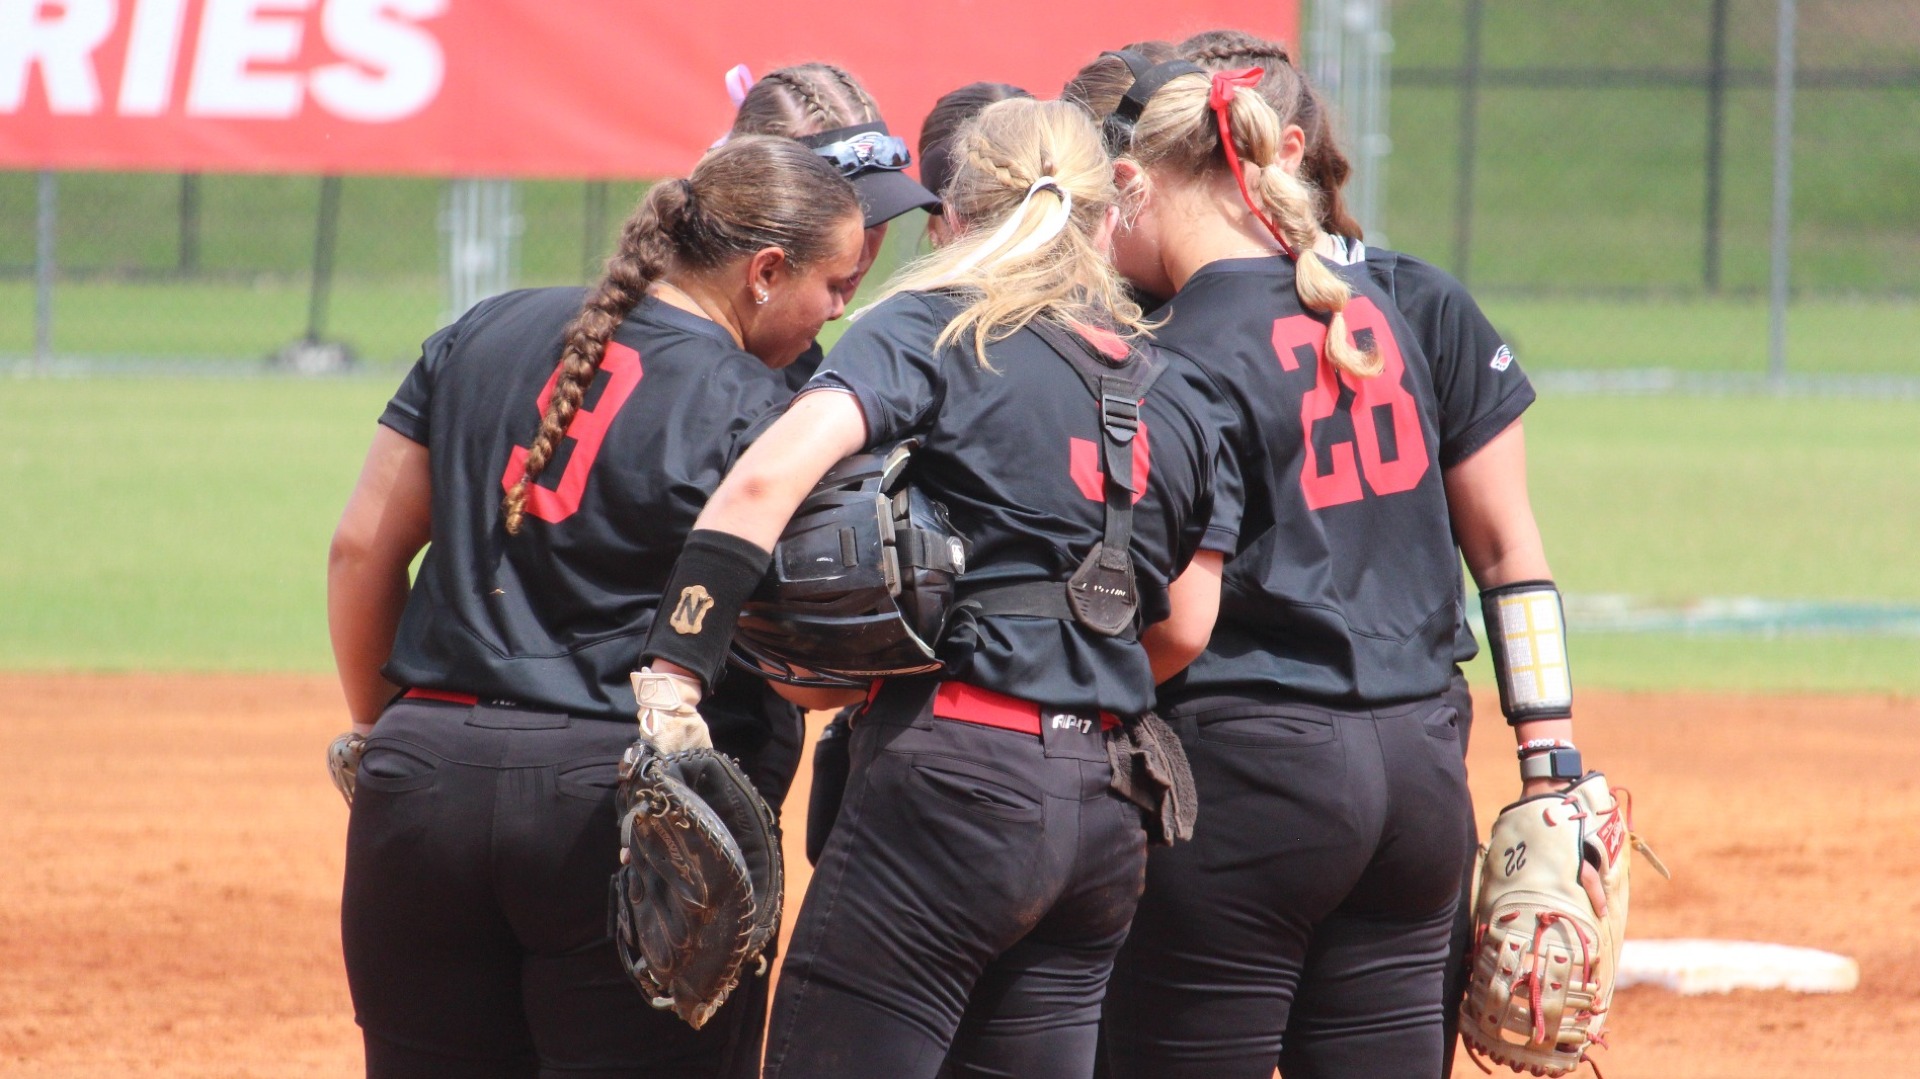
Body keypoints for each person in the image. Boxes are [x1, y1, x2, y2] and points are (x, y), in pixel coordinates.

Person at [630, 97, 1229, 1079]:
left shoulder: (933, 327)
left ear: (954, 213)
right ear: (1105, 213)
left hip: (949, 787)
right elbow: (1176, 626)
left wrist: (675, 675)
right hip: (1105, 809)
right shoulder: (1173, 387)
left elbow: (765, 480)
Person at [1065, 51, 1602, 1078]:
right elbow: (1509, 555)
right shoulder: (1385, 317)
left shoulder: (1171, 351)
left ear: (1143, 179)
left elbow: (1179, 623)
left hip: (1249, 774)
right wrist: (1552, 765)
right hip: (1417, 776)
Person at [325, 136, 864, 1079]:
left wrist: (384, 734)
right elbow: (804, 670)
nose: (838, 310)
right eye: (836, 284)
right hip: (608, 805)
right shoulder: (766, 409)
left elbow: (361, 550)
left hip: (418, 782)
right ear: (766, 272)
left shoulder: (483, 328)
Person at [800, 77, 1040, 870]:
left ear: (946, 218)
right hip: (1103, 754)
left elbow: (786, 496)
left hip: (921, 741)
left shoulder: (906, 333)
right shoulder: (1126, 348)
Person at [725, 61, 942, 390]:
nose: (861, 253)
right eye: (835, 226)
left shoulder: (789, 350)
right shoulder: (706, 380)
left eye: (878, 220)